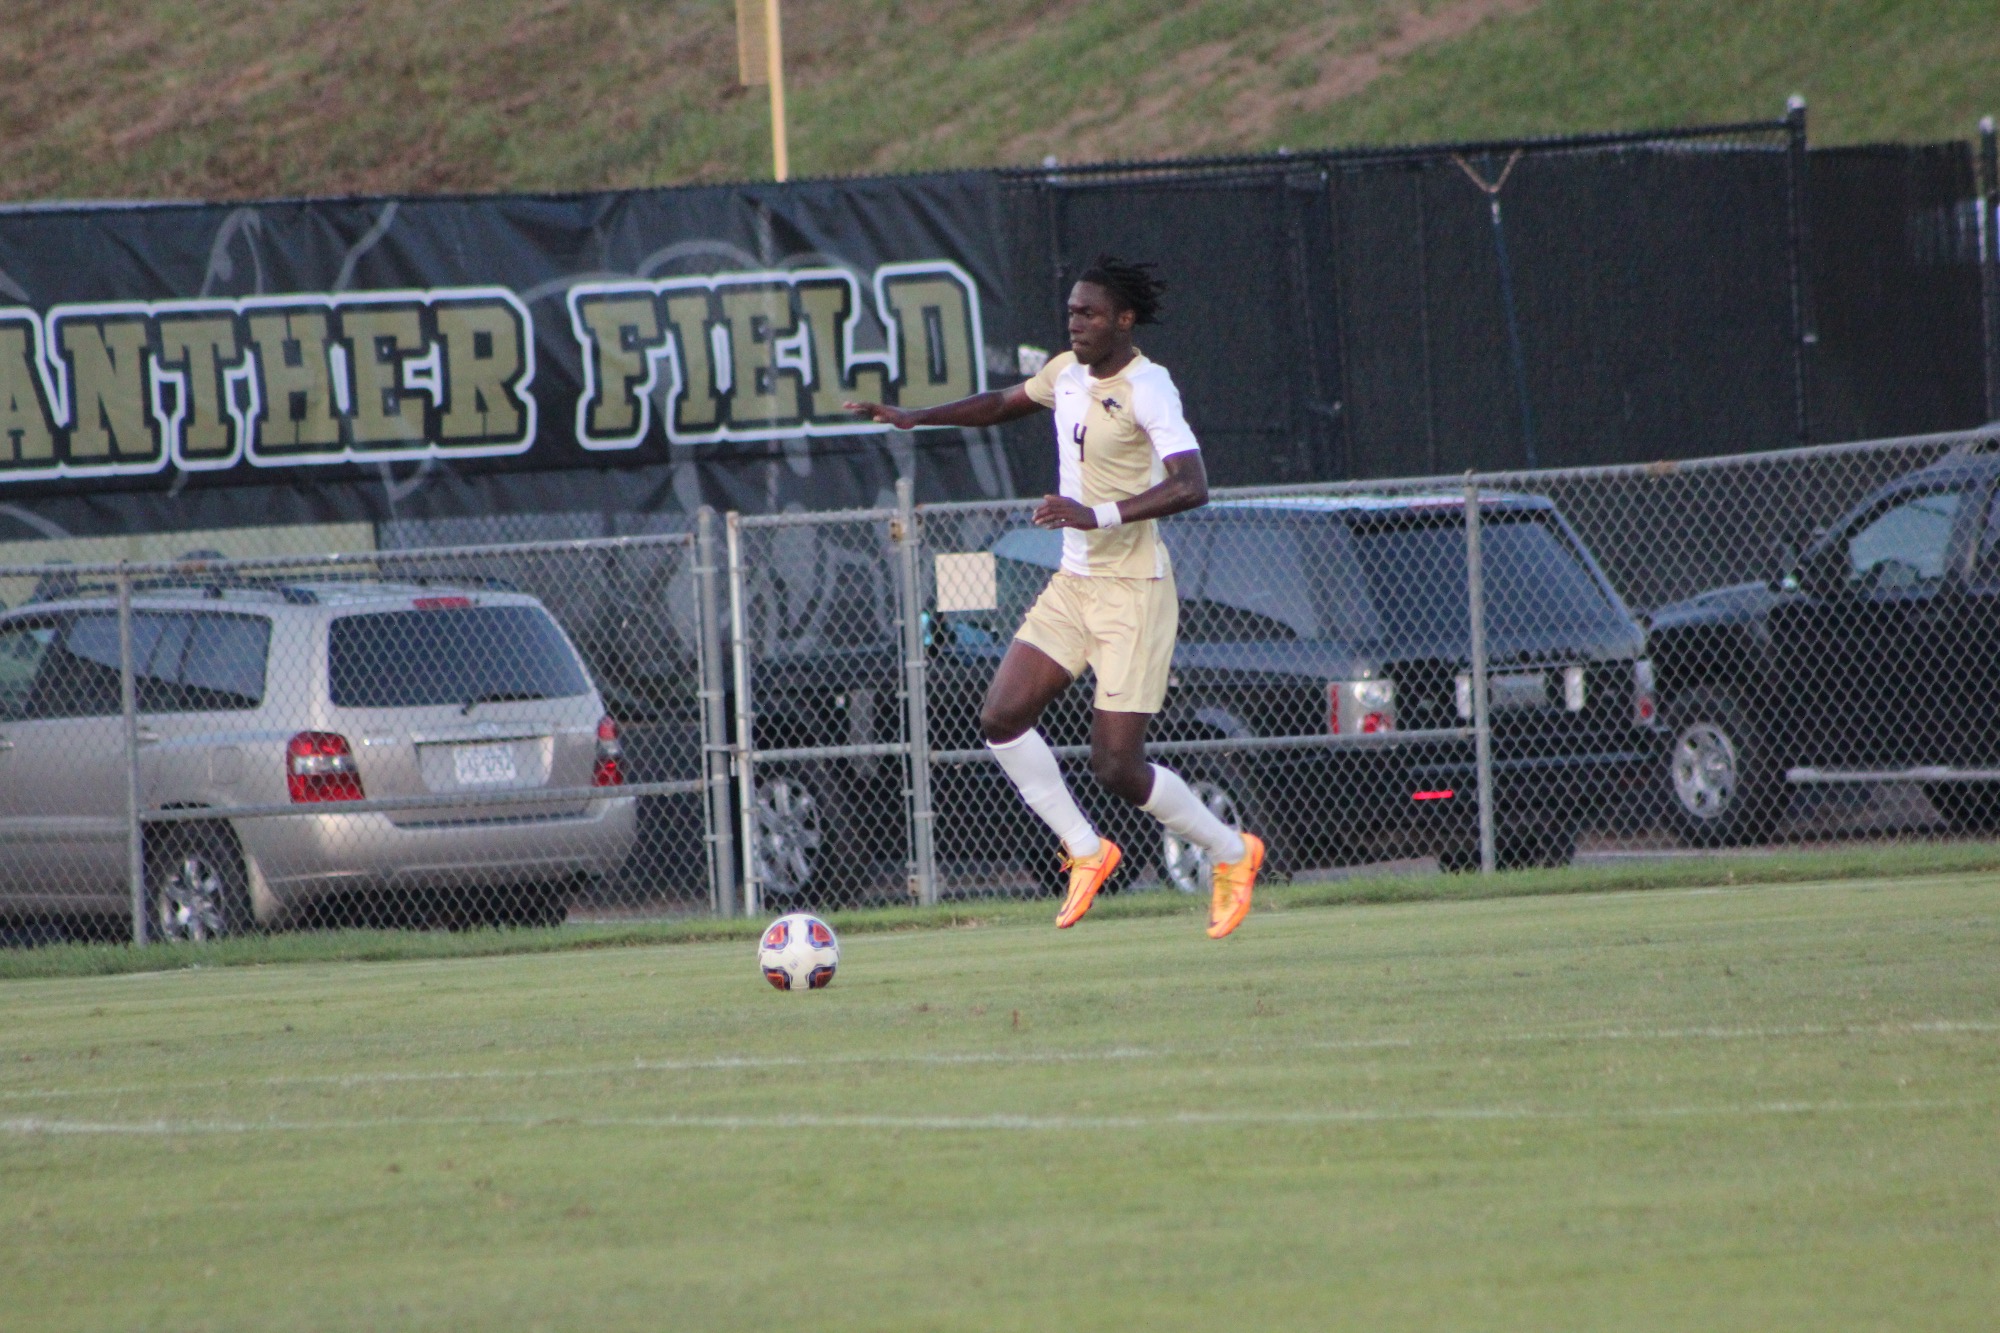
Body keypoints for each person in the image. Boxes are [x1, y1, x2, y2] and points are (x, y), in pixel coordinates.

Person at [848, 255, 1264, 938]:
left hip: (1132, 595)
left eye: (1090, 312)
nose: (1076, 323)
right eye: (1071, 311)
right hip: (1073, 584)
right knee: (1002, 716)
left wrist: (1093, 514)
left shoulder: (1147, 386)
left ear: (1124, 320)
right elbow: (1002, 403)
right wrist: (911, 417)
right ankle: (1086, 849)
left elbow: (1193, 485)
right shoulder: (1067, 374)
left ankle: (1231, 851)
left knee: (1117, 767)